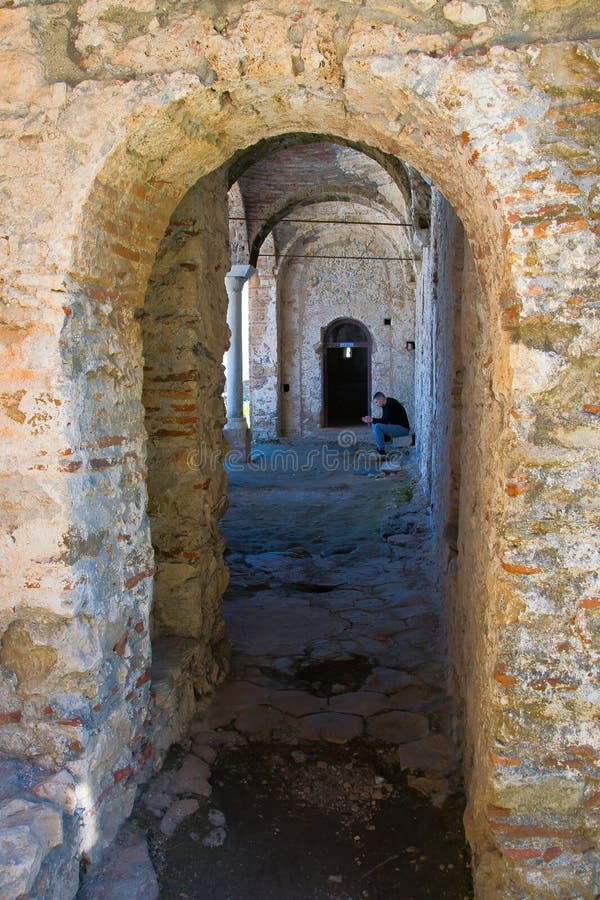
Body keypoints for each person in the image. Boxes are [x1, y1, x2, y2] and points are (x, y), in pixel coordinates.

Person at [362, 391, 410, 457]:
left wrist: (371, 419)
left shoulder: (391, 404)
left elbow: (385, 421)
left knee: (377, 426)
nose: (376, 404)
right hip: (397, 428)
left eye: (376, 402)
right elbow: (384, 420)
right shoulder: (387, 404)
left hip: (403, 430)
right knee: (375, 424)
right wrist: (372, 420)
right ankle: (384, 441)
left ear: (380, 399)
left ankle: (381, 451)